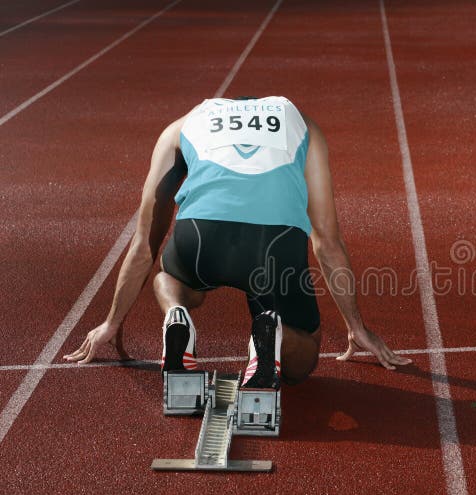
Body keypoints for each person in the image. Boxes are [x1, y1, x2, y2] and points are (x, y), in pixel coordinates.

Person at [64, 96, 411, 386]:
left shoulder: (181, 126)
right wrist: (356, 326)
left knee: (167, 278)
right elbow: (327, 240)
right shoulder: (302, 123)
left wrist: (113, 321)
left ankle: (177, 314)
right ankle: (269, 336)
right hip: (272, 247)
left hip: (199, 242)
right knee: (304, 355)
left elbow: (144, 243)